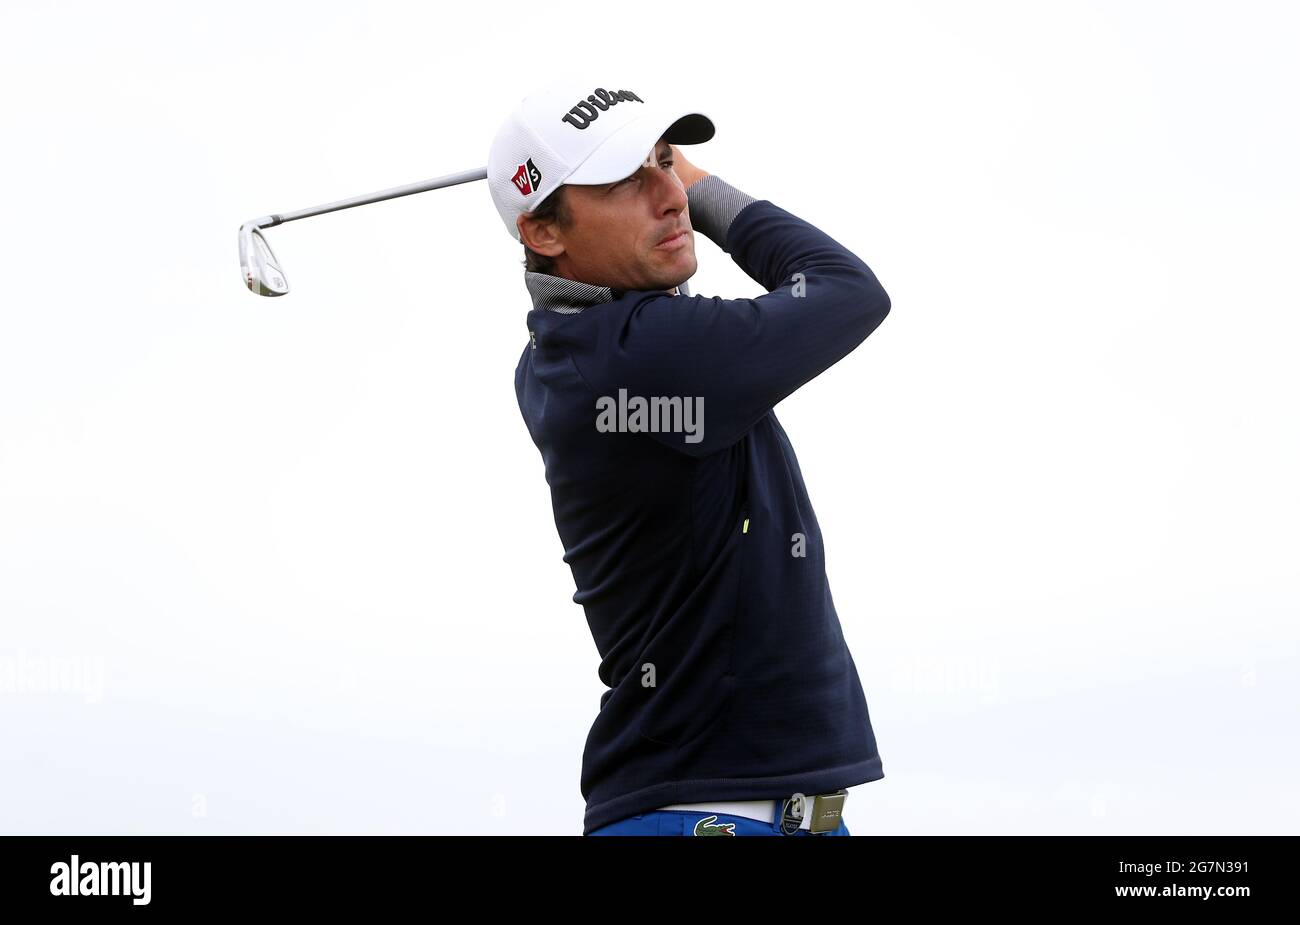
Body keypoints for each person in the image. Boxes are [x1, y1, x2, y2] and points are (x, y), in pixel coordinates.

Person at [487, 82, 891, 836]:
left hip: (769, 810)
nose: (667, 195)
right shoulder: (642, 354)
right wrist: (704, 192)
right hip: (700, 817)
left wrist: (649, 179)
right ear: (543, 231)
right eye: (624, 180)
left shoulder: (575, 347)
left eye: (665, 163)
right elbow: (845, 289)